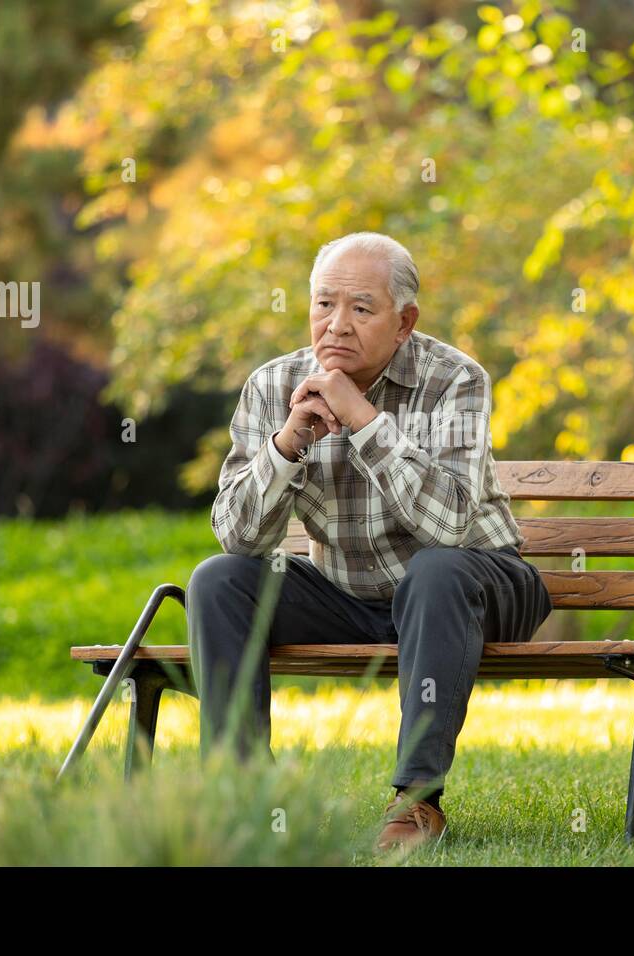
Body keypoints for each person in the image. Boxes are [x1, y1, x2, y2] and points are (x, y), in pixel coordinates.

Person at [187, 231, 553, 853]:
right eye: (324, 305)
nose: (337, 325)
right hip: (348, 595)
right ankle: (239, 794)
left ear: (404, 321)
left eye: (361, 308)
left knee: (435, 571)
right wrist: (286, 447)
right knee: (218, 578)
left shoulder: (456, 381)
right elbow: (239, 536)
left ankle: (416, 804)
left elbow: (450, 528)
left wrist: (362, 420)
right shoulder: (273, 387)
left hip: (477, 585)